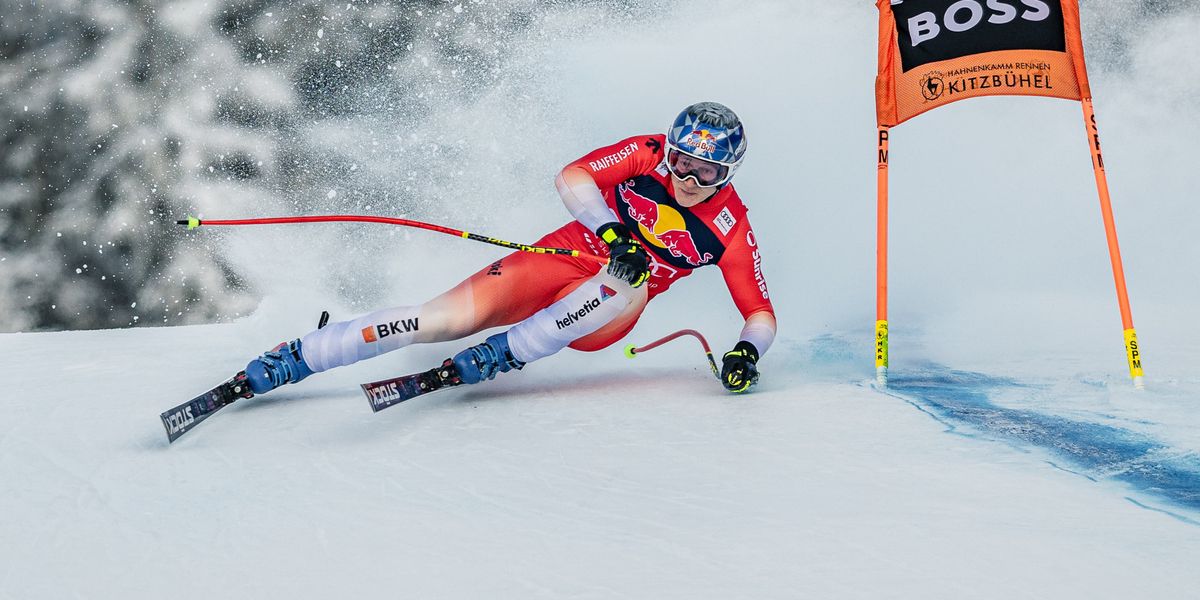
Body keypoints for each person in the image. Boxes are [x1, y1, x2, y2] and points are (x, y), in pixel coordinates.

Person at [244, 101, 777, 396]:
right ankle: (300, 357)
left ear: (727, 172)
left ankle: (508, 353)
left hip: (606, 313)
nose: (688, 177)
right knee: (440, 320)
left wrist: (746, 352)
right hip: (562, 257)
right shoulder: (647, 153)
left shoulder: (730, 227)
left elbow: (759, 313)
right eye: (683, 161)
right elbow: (573, 177)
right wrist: (611, 231)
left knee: (627, 280)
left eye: (706, 170)